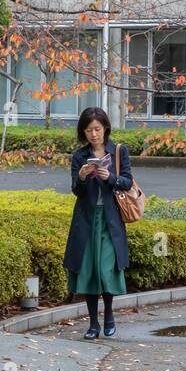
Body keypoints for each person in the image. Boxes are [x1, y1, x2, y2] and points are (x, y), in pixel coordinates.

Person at [64, 107, 131, 339]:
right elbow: (76, 190)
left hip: (110, 221)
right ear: (83, 132)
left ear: (105, 128)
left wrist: (110, 177)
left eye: (97, 129)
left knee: (105, 269)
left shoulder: (119, 151)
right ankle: (93, 324)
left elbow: (127, 182)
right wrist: (82, 177)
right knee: (89, 270)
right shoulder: (79, 156)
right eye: (89, 130)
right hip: (86, 220)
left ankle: (109, 315)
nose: (94, 134)